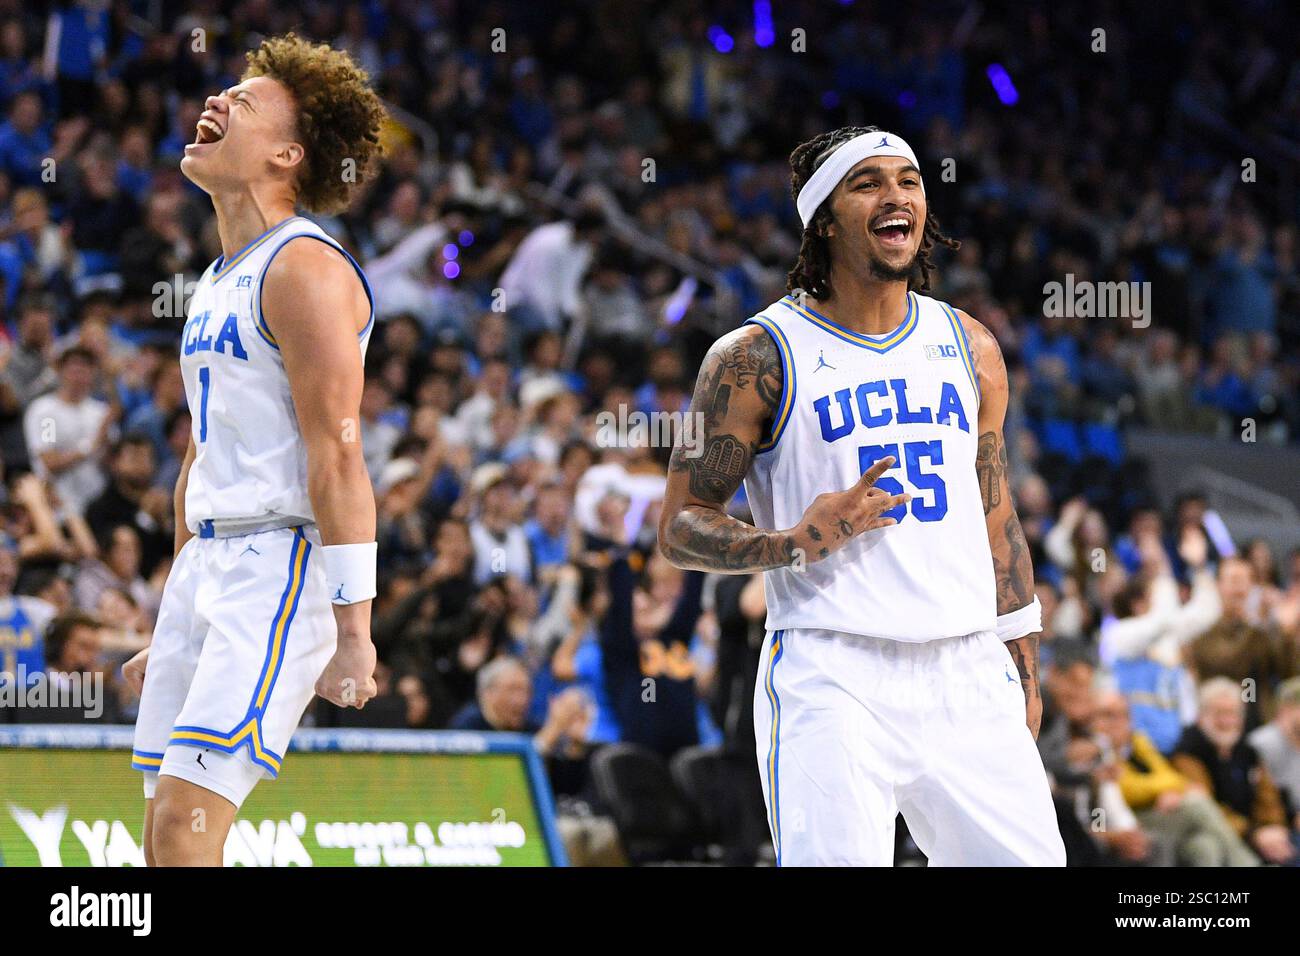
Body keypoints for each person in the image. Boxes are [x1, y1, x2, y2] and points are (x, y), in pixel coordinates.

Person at [658, 126, 1065, 865]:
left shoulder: (969, 344)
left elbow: (995, 513)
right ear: (824, 218)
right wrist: (790, 543)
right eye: (867, 182)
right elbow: (681, 527)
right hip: (832, 670)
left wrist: (1023, 662)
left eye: (908, 180)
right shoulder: (754, 356)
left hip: (969, 667)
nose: (897, 196)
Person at [118, 35, 386, 867]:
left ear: (287, 153)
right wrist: (176, 609)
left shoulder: (303, 266)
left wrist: (355, 633)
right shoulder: (220, 276)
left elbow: (339, 453)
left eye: (247, 98)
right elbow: (200, 460)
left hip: (280, 560)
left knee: (185, 826)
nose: (221, 99)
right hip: (214, 563)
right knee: (165, 825)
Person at [1172, 678, 1294, 865]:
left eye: (1233, 713)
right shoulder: (1187, 752)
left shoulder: (1248, 749)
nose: (1227, 721)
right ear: (1201, 715)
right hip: (1217, 832)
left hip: (1258, 833)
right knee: (1205, 846)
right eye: (1219, 713)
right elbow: (1207, 809)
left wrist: (1274, 827)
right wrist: (1254, 834)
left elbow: (1268, 796)